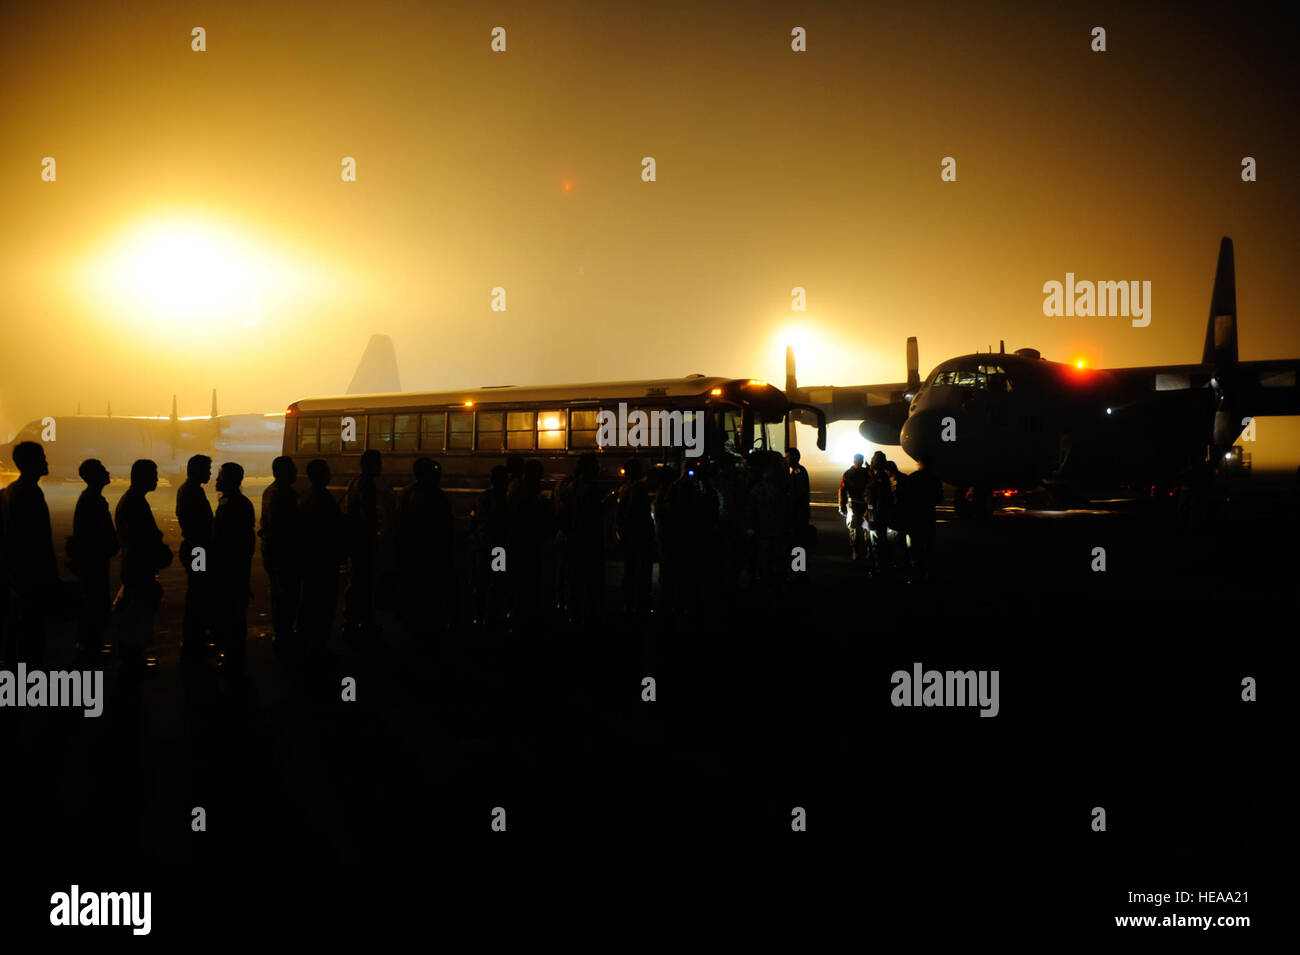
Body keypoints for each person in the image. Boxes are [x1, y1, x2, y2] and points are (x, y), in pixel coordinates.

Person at [0, 441, 61, 665]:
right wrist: (51, 579)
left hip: (15, 578)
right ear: (31, 463)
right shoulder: (31, 494)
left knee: (15, 636)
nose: (46, 462)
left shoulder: (8, 493)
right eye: (42, 457)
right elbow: (39, 543)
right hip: (31, 579)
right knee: (31, 641)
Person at [114, 459, 169, 674]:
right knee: (136, 615)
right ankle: (132, 664)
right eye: (153, 474)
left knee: (136, 614)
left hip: (135, 565)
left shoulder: (132, 500)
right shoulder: (134, 503)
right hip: (138, 567)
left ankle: (133, 661)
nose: (156, 479)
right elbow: (142, 538)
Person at [395, 457, 455, 641]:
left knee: (415, 590)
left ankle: (414, 627)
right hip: (431, 550)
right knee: (430, 591)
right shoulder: (436, 495)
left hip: (412, 549)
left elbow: (400, 523)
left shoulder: (406, 493)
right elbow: (444, 524)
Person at [69, 458, 119, 661]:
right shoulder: (93, 500)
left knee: (94, 603)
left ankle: (90, 646)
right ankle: (90, 648)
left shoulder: (90, 498)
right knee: (95, 604)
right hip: (94, 561)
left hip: (92, 560)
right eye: (103, 470)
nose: (108, 472)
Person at [297, 459, 342, 661]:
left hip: (310, 558)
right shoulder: (322, 498)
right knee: (322, 604)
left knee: (309, 602)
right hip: (323, 560)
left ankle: (307, 644)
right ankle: (317, 648)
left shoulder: (305, 496)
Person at [212, 462, 255, 671]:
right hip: (234, 569)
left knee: (231, 616)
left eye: (220, 476)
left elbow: (231, 542)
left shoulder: (231, 505)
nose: (217, 480)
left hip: (230, 570)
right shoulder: (237, 503)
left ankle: (232, 659)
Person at [554, 454, 605, 625]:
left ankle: (570, 610)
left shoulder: (570, 487)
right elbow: (594, 516)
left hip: (573, 538)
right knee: (588, 580)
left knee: (573, 579)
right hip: (586, 539)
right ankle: (585, 615)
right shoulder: (591, 489)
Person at [260, 455, 301, 655]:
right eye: (292, 469)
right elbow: (289, 527)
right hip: (285, 553)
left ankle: (281, 632)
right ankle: (284, 633)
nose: (296, 473)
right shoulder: (286, 494)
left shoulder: (269, 492)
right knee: (288, 594)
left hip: (272, 551)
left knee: (278, 593)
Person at [176, 454, 214, 659]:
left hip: (195, 547)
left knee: (197, 592)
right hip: (198, 549)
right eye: (207, 469)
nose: (209, 473)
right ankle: (194, 639)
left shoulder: (188, 490)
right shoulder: (193, 492)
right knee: (198, 591)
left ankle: (194, 637)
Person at [342, 449, 382, 638]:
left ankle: (351, 619)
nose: (381, 467)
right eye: (378, 463)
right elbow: (367, 514)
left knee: (356, 580)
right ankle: (362, 621)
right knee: (364, 582)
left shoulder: (354, 482)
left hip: (353, 538)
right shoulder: (367, 485)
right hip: (363, 540)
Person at [470, 465, 510, 628]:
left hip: (483, 543)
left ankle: (479, 615)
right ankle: (493, 615)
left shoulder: (482, 498)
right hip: (498, 546)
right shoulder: (506, 499)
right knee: (497, 579)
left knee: (481, 580)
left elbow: (473, 520)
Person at [615, 458, 654, 617]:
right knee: (643, 569)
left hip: (629, 533)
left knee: (630, 569)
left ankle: (628, 603)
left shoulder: (624, 489)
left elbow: (622, 513)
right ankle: (641, 603)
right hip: (641, 534)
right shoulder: (640, 488)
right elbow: (641, 512)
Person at [904, 457, 943, 582]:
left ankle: (917, 573)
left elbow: (906, 497)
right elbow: (939, 499)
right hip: (928, 517)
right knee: (930, 547)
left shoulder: (913, 477)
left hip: (915, 518)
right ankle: (930, 574)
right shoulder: (935, 479)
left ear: (919, 464)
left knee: (915, 548)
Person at [838, 453, 872, 561]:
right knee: (862, 529)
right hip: (859, 505)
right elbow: (842, 491)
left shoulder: (848, 474)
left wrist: (842, 505)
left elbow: (842, 491)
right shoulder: (865, 473)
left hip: (857, 505)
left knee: (858, 530)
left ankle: (858, 552)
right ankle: (862, 552)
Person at [867, 451, 896, 573]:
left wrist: (874, 517)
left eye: (873, 460)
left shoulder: (880, 479)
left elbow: (879, 499)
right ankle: (882, 567)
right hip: (875, 515)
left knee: (878, 543)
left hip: (876, 516)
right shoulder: (880, 477)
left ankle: (880, 569)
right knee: (879, 541)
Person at [786, 447, 811, 546]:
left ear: (794, 458)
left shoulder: (798, 472)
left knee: (798, 540)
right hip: (799, 512)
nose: (786, 459)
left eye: (787, 457)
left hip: (799, 513)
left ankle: (799, 561)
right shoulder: (797, 471)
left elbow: (799, 493)